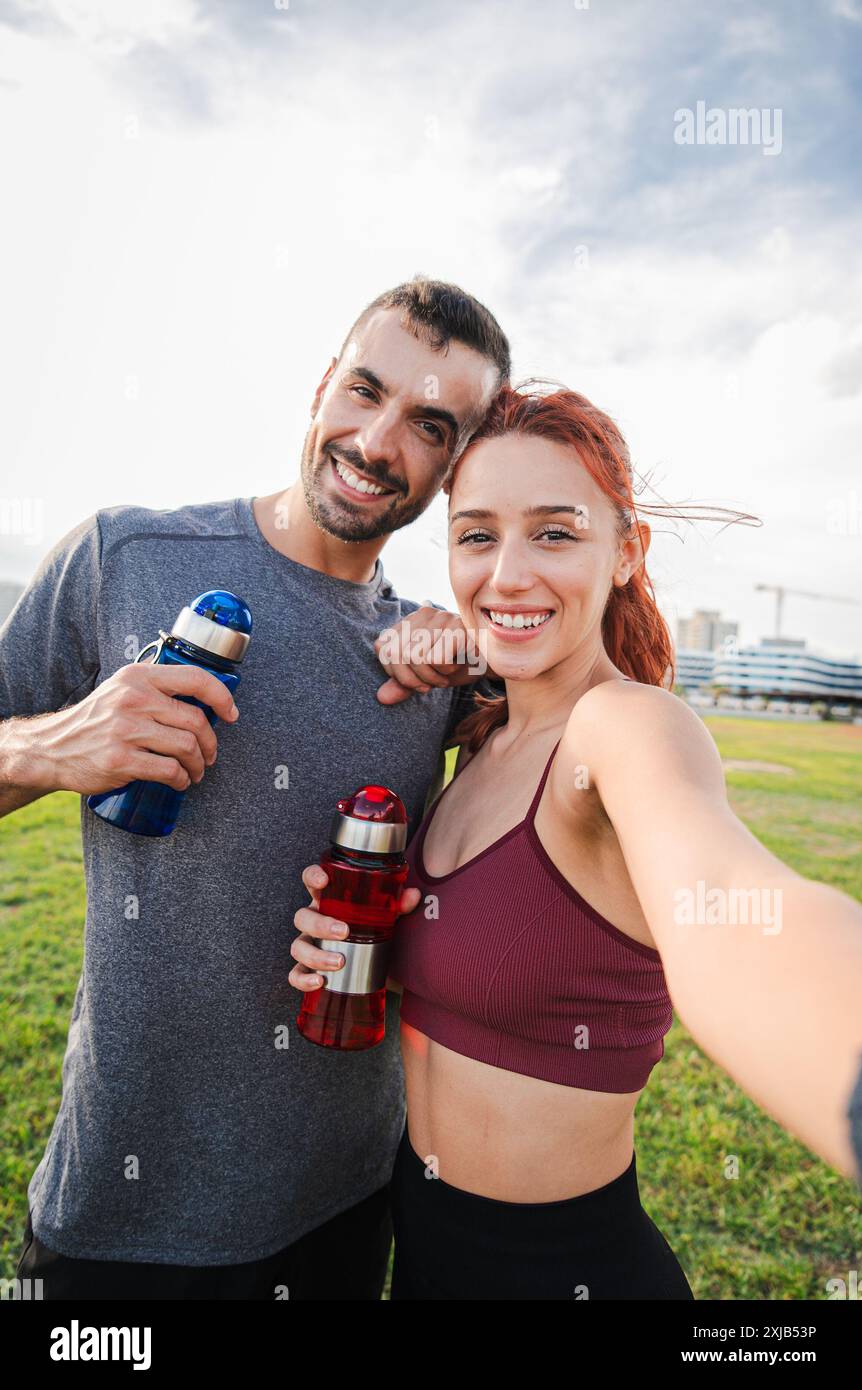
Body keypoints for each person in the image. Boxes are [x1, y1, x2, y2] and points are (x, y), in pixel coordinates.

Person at [290, 381, 862, 1300]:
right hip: (423, 1254)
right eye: (478, 534)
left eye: (554, 533)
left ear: (625, 550)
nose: (508, 573)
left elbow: (726, 914)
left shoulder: (626, 730)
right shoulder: (475, 740)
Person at [0, 277, 509, 1299]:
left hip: (344, 1203)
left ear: (456, 467)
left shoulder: (435, 661)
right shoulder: (124, 556)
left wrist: (485, 658)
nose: (374, 442)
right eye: (363, 391)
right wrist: (50, 745)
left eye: (427, 425)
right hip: (123, 1219)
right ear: (322, 385)